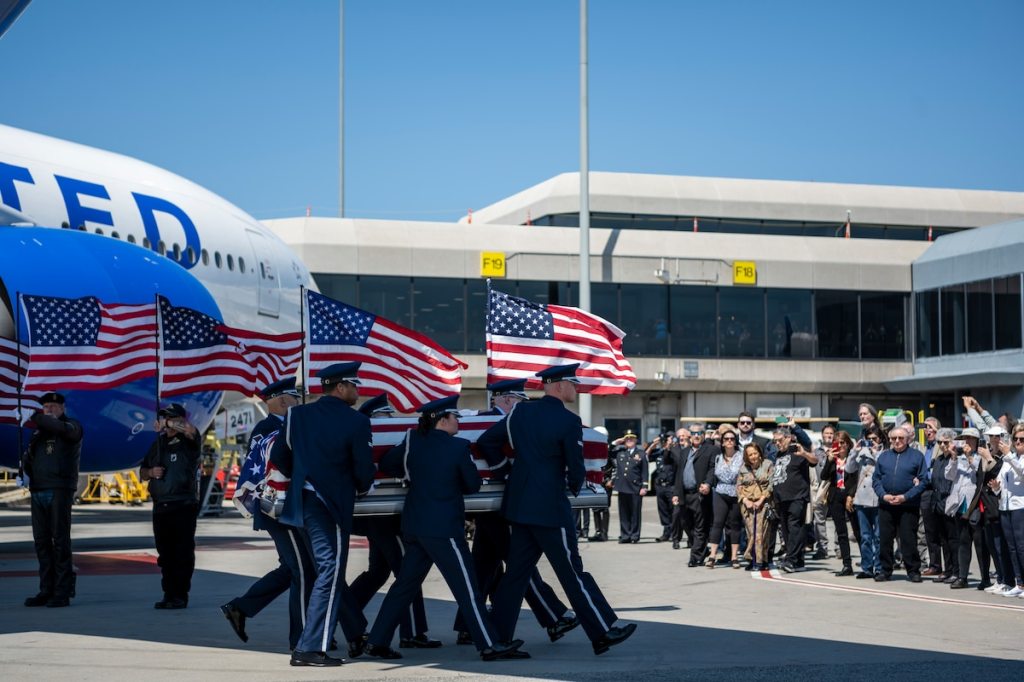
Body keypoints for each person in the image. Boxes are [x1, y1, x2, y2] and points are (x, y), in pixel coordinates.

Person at [481, 364, 636, 656]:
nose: (576, 389)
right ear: (559, 385)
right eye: (573, 384)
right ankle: (602, 630)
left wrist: (505, 472)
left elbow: (487, 441)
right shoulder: (568, 420)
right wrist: (574, 486)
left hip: (519, 506)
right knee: (572, 573)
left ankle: (497, 640)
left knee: (516, 575)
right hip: (550, 508)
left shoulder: (520, 413)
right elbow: (576, 469)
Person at [364, 396, 527, 661]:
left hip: (415, 526)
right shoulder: (458, 448)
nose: (458, 422)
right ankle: (488, 644)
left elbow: (387, 464)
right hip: (444, 529)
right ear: (442, 420)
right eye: (455, 418)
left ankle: (377, 641)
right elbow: (472, 485)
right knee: (467, 589)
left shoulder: (411, 442)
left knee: (404, 587)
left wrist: (410, 474)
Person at [456, 378, 577, 647]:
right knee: (518, 565)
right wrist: (504, 471)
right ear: (507, 399)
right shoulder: (488, 420)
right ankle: (554, 615)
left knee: (485, 566)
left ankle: (468, 625)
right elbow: (486, 446)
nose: (523, 406)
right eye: (519, 401)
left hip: (501, 505)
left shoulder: (516, 420)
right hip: (499, 507)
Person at [270, 362, 376, 667]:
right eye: (354, 385)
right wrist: (359, 486)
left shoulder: (296, 415)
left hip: (300, 503)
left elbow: (280, 457)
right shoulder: (355, 422)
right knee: (330, 570)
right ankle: (310, 647)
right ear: (341, 387)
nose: (357, 391)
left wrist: (304, 476)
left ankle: (312, 642)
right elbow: (363, 471)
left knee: (323, 572)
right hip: (330, 505)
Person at [221, 378, 312, 649]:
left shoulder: (273, 427)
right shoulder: (271, 428)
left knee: (291, 568)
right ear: (283, 400)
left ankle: (241, 607)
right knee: (304, 571)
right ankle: (303, 638)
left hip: (277, 507)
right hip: (278, 509)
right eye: (294, 399)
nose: (298, 403)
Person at [348, 392, 440, 649]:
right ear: (375, 420)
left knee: (378, 573)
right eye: (386, 416)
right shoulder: (375, 438)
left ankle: (344, 618)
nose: (391, 420)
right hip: (384, 519)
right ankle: (412, 633)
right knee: (407, 571)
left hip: (381, 518)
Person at [22, 392, 83, 608]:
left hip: (59, 488)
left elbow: (59, 428)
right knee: (42, 543)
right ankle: (46, 589)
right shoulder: (38, 433)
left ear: (62, 408)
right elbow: (30, 457)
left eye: (53, 406)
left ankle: (62, 591)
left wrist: (35, 417)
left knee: (60, 541)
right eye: (45, 406)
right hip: (38, 489)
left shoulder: (71, 427)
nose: (48, 409)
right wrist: (25, 471)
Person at [140, 403, 201, 609]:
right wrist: (150, 473)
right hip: (161, 506)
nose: (166, 423)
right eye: (164, 418)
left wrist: (167, 422)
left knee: (182, 552)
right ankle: (168, 593)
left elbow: (190, 429)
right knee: (165, 553)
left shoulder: (188, 442)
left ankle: (180, 595)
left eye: (170, 418)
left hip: (183, 503)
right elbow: (142, 471)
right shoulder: (157, 444)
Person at [872, 424, 928, 582]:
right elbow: (876, 479)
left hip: (908, 505)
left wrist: (906, 496)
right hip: (886, 505)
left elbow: (924, 480)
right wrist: (884, 496)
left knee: (908, 539)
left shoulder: (917, 456)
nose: (897, 441)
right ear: (890, 440)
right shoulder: (883, 456)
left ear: (907, 439)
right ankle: (885, 570)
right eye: (894, 438)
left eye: (900, 438)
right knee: (885, 539)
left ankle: (913, 570)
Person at [769, 422, 816, 573]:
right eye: (775, 441)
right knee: (787, 530)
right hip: (782, 498)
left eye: (780, 440)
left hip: (797, 496)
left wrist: (795, 426)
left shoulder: (798, 450)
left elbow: (814, 460)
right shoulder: (778, 454)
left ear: (789, 438)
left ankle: (791, 559)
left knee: (795, 527)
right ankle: (798, 561)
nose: (777, 443)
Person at [944, 428, 986, 589]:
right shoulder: (959, 457)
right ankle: (962, 577)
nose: (967, 442)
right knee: (963, 542)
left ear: (977, 441)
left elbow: (979, 474)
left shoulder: (981, 457)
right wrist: (954, 457)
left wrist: (969, 457)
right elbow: (949, 476)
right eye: (965, 439)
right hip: (959, 504)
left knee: (980, 543)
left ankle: (985, 577)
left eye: (970, 439)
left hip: (974, 504)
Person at [671, 423, 718, 566]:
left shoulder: (711, 450)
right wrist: (676, 493)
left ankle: (695, 557)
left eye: (699, 433)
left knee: (700, 527)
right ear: (689, 436)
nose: (696, 436)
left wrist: (708, 484)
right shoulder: (685, 452)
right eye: (693, 433)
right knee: (685, 523)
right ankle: (702, 549)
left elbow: (713, 469)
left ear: (703, 435)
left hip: (700, 494)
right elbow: (679, 474)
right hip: (684, 495)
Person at [846, 424, 885, 578]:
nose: (871, 442)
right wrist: (854, 450)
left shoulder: (884, 453)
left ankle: (879, 567)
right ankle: (866, 567)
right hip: (862, 497)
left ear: (880, 439)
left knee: (878, 536)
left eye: (874, 439)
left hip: (877, 497)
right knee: (865, 536)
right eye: (868, 439)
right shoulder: (861, 451)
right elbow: (849, 469)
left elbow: (883, 468)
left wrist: (875, 452)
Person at [991, 423, 1024, 597]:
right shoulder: (1009, 458)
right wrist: (996, 487)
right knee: (1011, 547)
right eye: (1016, 439)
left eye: (1022, 439)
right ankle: (1019, 582)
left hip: (1021, 507)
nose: (1018, 442)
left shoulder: (1013, 457)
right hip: (1005, 506)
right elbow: (1001, 483)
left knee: (1021, 546)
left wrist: (1009, 455)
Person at [705, 427, 743, 568]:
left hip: (736, 493)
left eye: (732, 439)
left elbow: (736, 475)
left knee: (735, 525)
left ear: (735, 441)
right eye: (726, 439)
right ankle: (712, 555)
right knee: (718, 523)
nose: (729, 441)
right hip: (720, 492)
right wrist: (711, 437)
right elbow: (706, 448)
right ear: (721, 442)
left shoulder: (741, 456)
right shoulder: (717, 456)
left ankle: (734, 557)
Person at [821, 431, 855, 576]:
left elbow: (856, 478)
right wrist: (829, 460)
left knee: (857, 530)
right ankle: (847, 564)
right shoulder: (832, 459)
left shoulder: (853, 458)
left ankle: (868, 563)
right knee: (841, 532)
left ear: (848, 444)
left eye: (842, 443)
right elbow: (823, 476)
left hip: (850, 496)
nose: (840, 446)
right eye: (837, 442)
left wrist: (851, 495)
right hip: (835, 496)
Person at [929, 428, 960, 584]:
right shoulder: (939, 459)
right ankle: (947, 570)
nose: (942, 445)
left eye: (945, 442)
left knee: (953, 539)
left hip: (950, 502)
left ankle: (957, 570)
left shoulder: (956, 458)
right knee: (944, 539)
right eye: (939, 442)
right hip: (937, 503)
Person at [737, 443, 774, 570]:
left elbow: (770, 484)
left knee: (761, 533)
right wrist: (745, 500)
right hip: (747, 504)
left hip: (763, 503)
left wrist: (761, 500)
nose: (753, 456)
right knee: (750, 533)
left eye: (755, 453)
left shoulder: (768, 464)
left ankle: (758, 560)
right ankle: (756, 559)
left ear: (759, 453)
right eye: (750, 454)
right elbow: (739, 486)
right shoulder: (743, 468)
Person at [611, 430, 648, 543]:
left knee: (635, 513)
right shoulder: (620, 452)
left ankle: (634, 536)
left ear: (636, 440)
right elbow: (608, 452)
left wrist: (644, 486)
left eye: (631, 438)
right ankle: (625, 535)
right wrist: (615, 443)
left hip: (635, 488)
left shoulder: (641, 453)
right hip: (622, 487)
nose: (629, 440)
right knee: (624, 513)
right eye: (627, 438)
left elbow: (644, 471)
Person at [810, 423, 837, 560]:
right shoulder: (817, 452)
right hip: (820, 489)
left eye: (831, 433)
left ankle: (839, 549)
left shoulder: (839, 449)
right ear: (822, 435)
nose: (829, 436)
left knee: (839, 519)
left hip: (836, 489)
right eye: (826, 433)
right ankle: (822, 548)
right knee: (819, 520)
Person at [648, 431, 680, 543]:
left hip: (670, 486)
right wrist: (653, 444)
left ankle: (674, 533)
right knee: (663, 511)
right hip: (660, 486)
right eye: (662, 441)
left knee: (673, 511)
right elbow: (645, 455)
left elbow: (671, 458)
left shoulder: (673, 452)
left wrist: (670, 445)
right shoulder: (658, 452)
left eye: (665, 441)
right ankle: (666, 532)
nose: (663, 443)